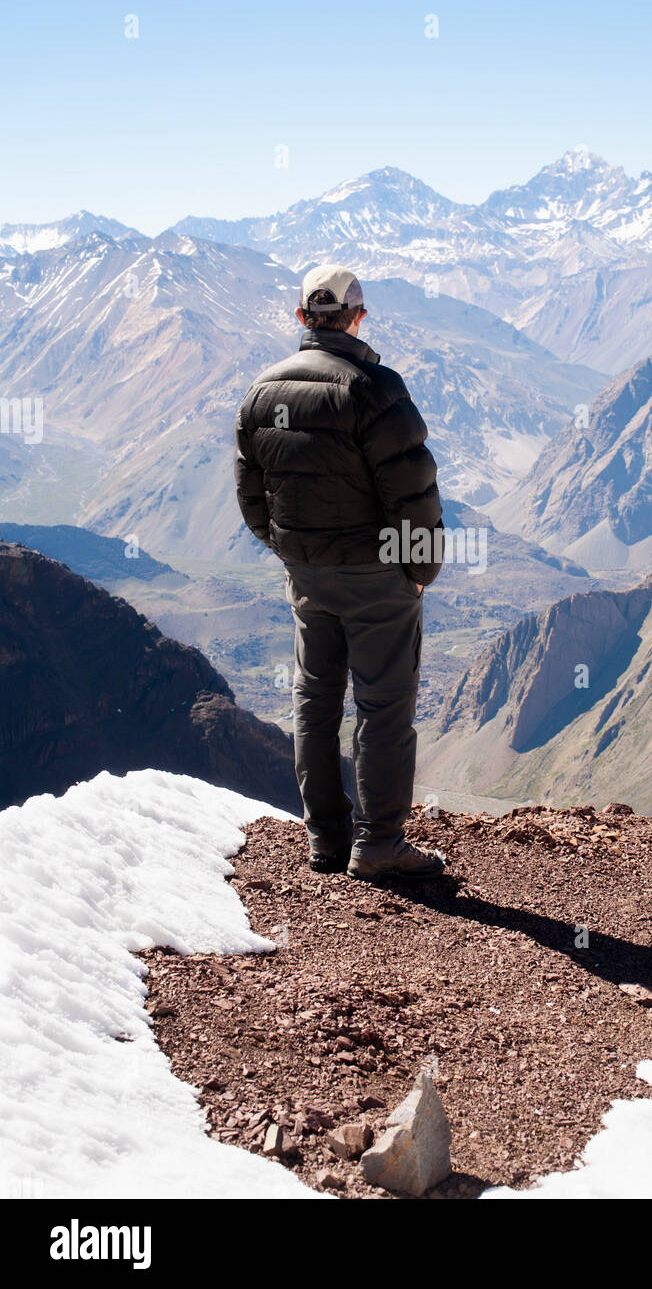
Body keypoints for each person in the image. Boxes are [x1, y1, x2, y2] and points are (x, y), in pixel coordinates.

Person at [234, 264, 445, 882]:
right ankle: (379, 845)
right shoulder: (375, 390)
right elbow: (413, 494)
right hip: (377, 577)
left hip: (307, 575)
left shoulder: (262, 392)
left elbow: (251, 497)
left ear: (302, 319)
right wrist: (418, 572)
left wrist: (289, 550)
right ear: (359, 316)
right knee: (382, 706)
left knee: (315, 698)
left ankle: (326, 838)